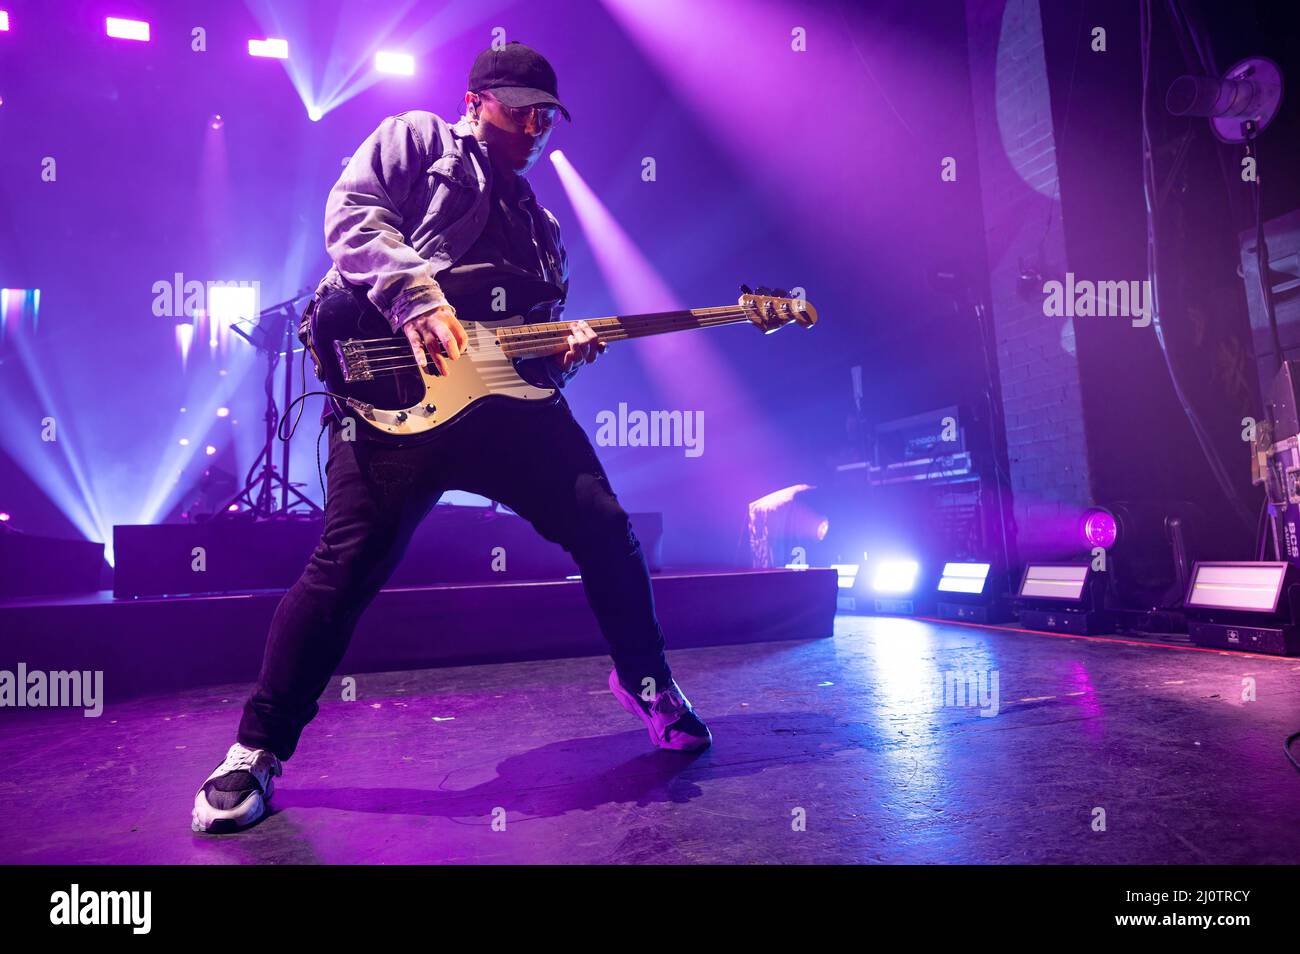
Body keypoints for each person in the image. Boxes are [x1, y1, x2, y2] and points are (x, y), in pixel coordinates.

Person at [192, 42, 711, 835]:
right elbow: (353, 215)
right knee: (344, 571)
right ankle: (255, 751)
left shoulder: (541, 226)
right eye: (521, 107)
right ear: (476, 101)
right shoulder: (417, 141)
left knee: (608, 530)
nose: (537, 124)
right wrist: (415, 299)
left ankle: (647, 684)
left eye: (547, 113)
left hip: (507, 414)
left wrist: (561, 354)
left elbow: (531, 355)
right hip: (396, 408)